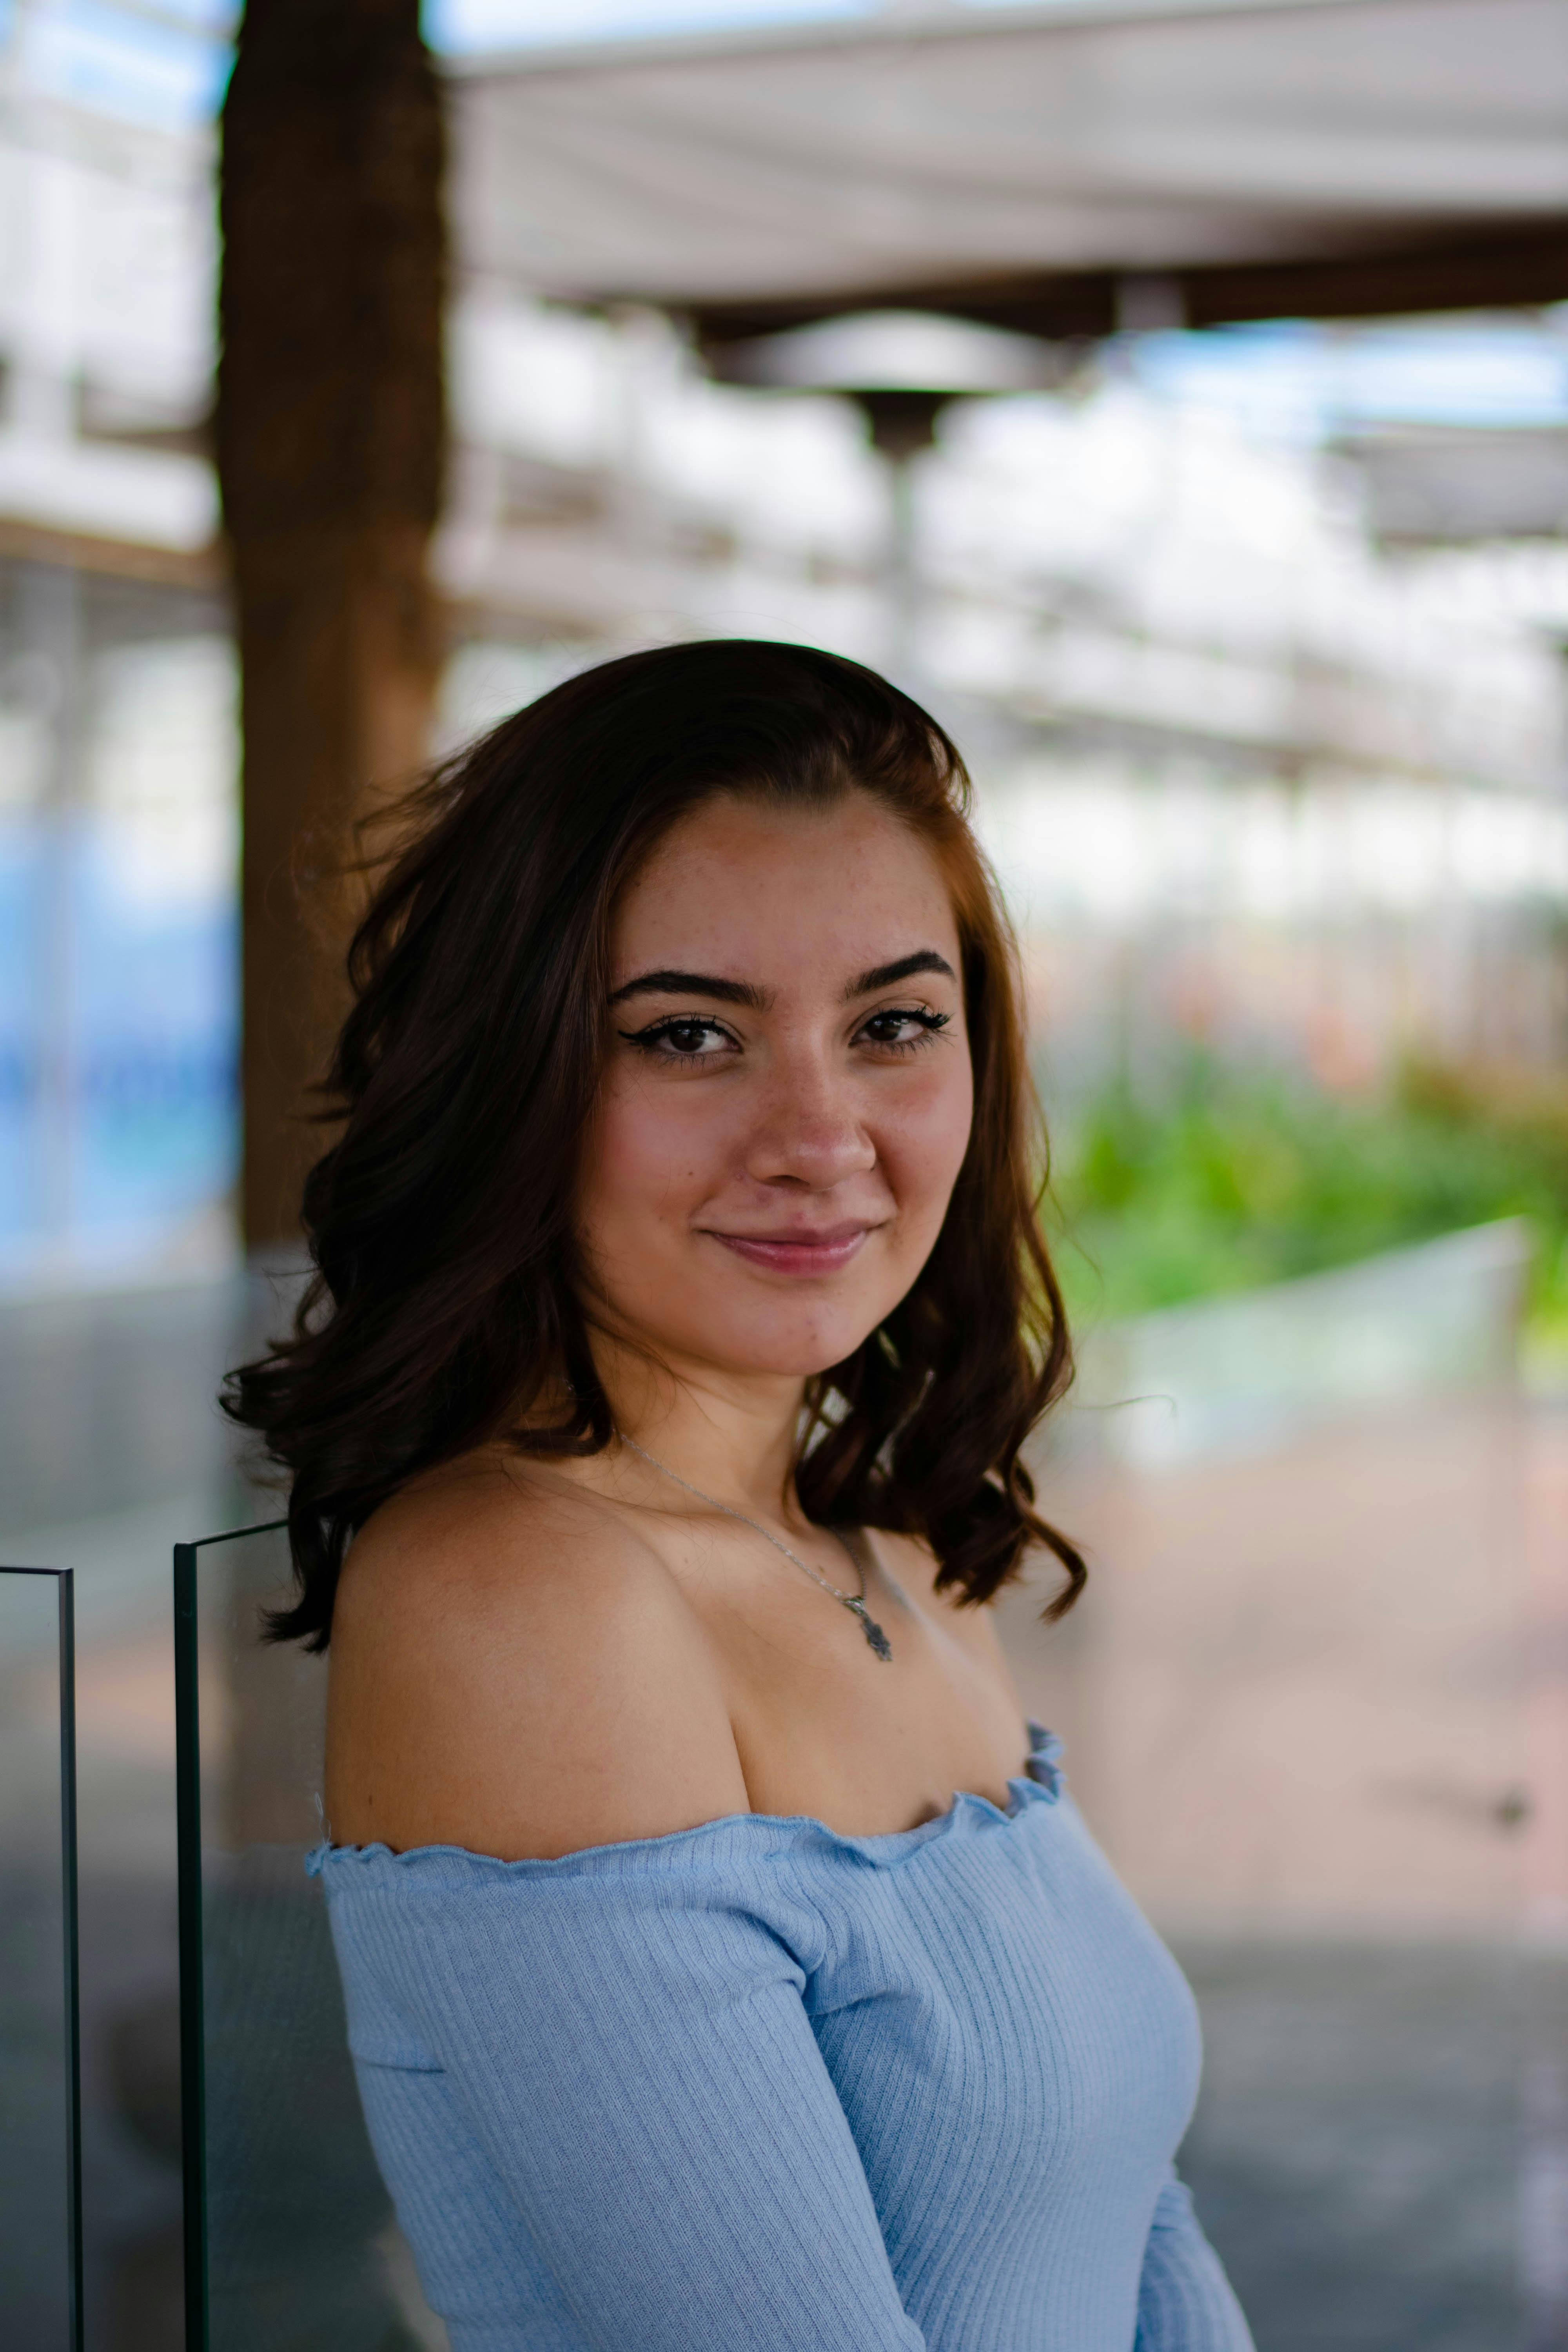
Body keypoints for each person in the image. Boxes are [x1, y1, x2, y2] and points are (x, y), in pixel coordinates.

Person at [228, 640, 1254, 2352]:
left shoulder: (886, 1551)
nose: (819, 1132)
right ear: (516, 1073)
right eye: (689, 1034)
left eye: (894, 1024)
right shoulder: (525, 1599)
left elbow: (1135, 2232)